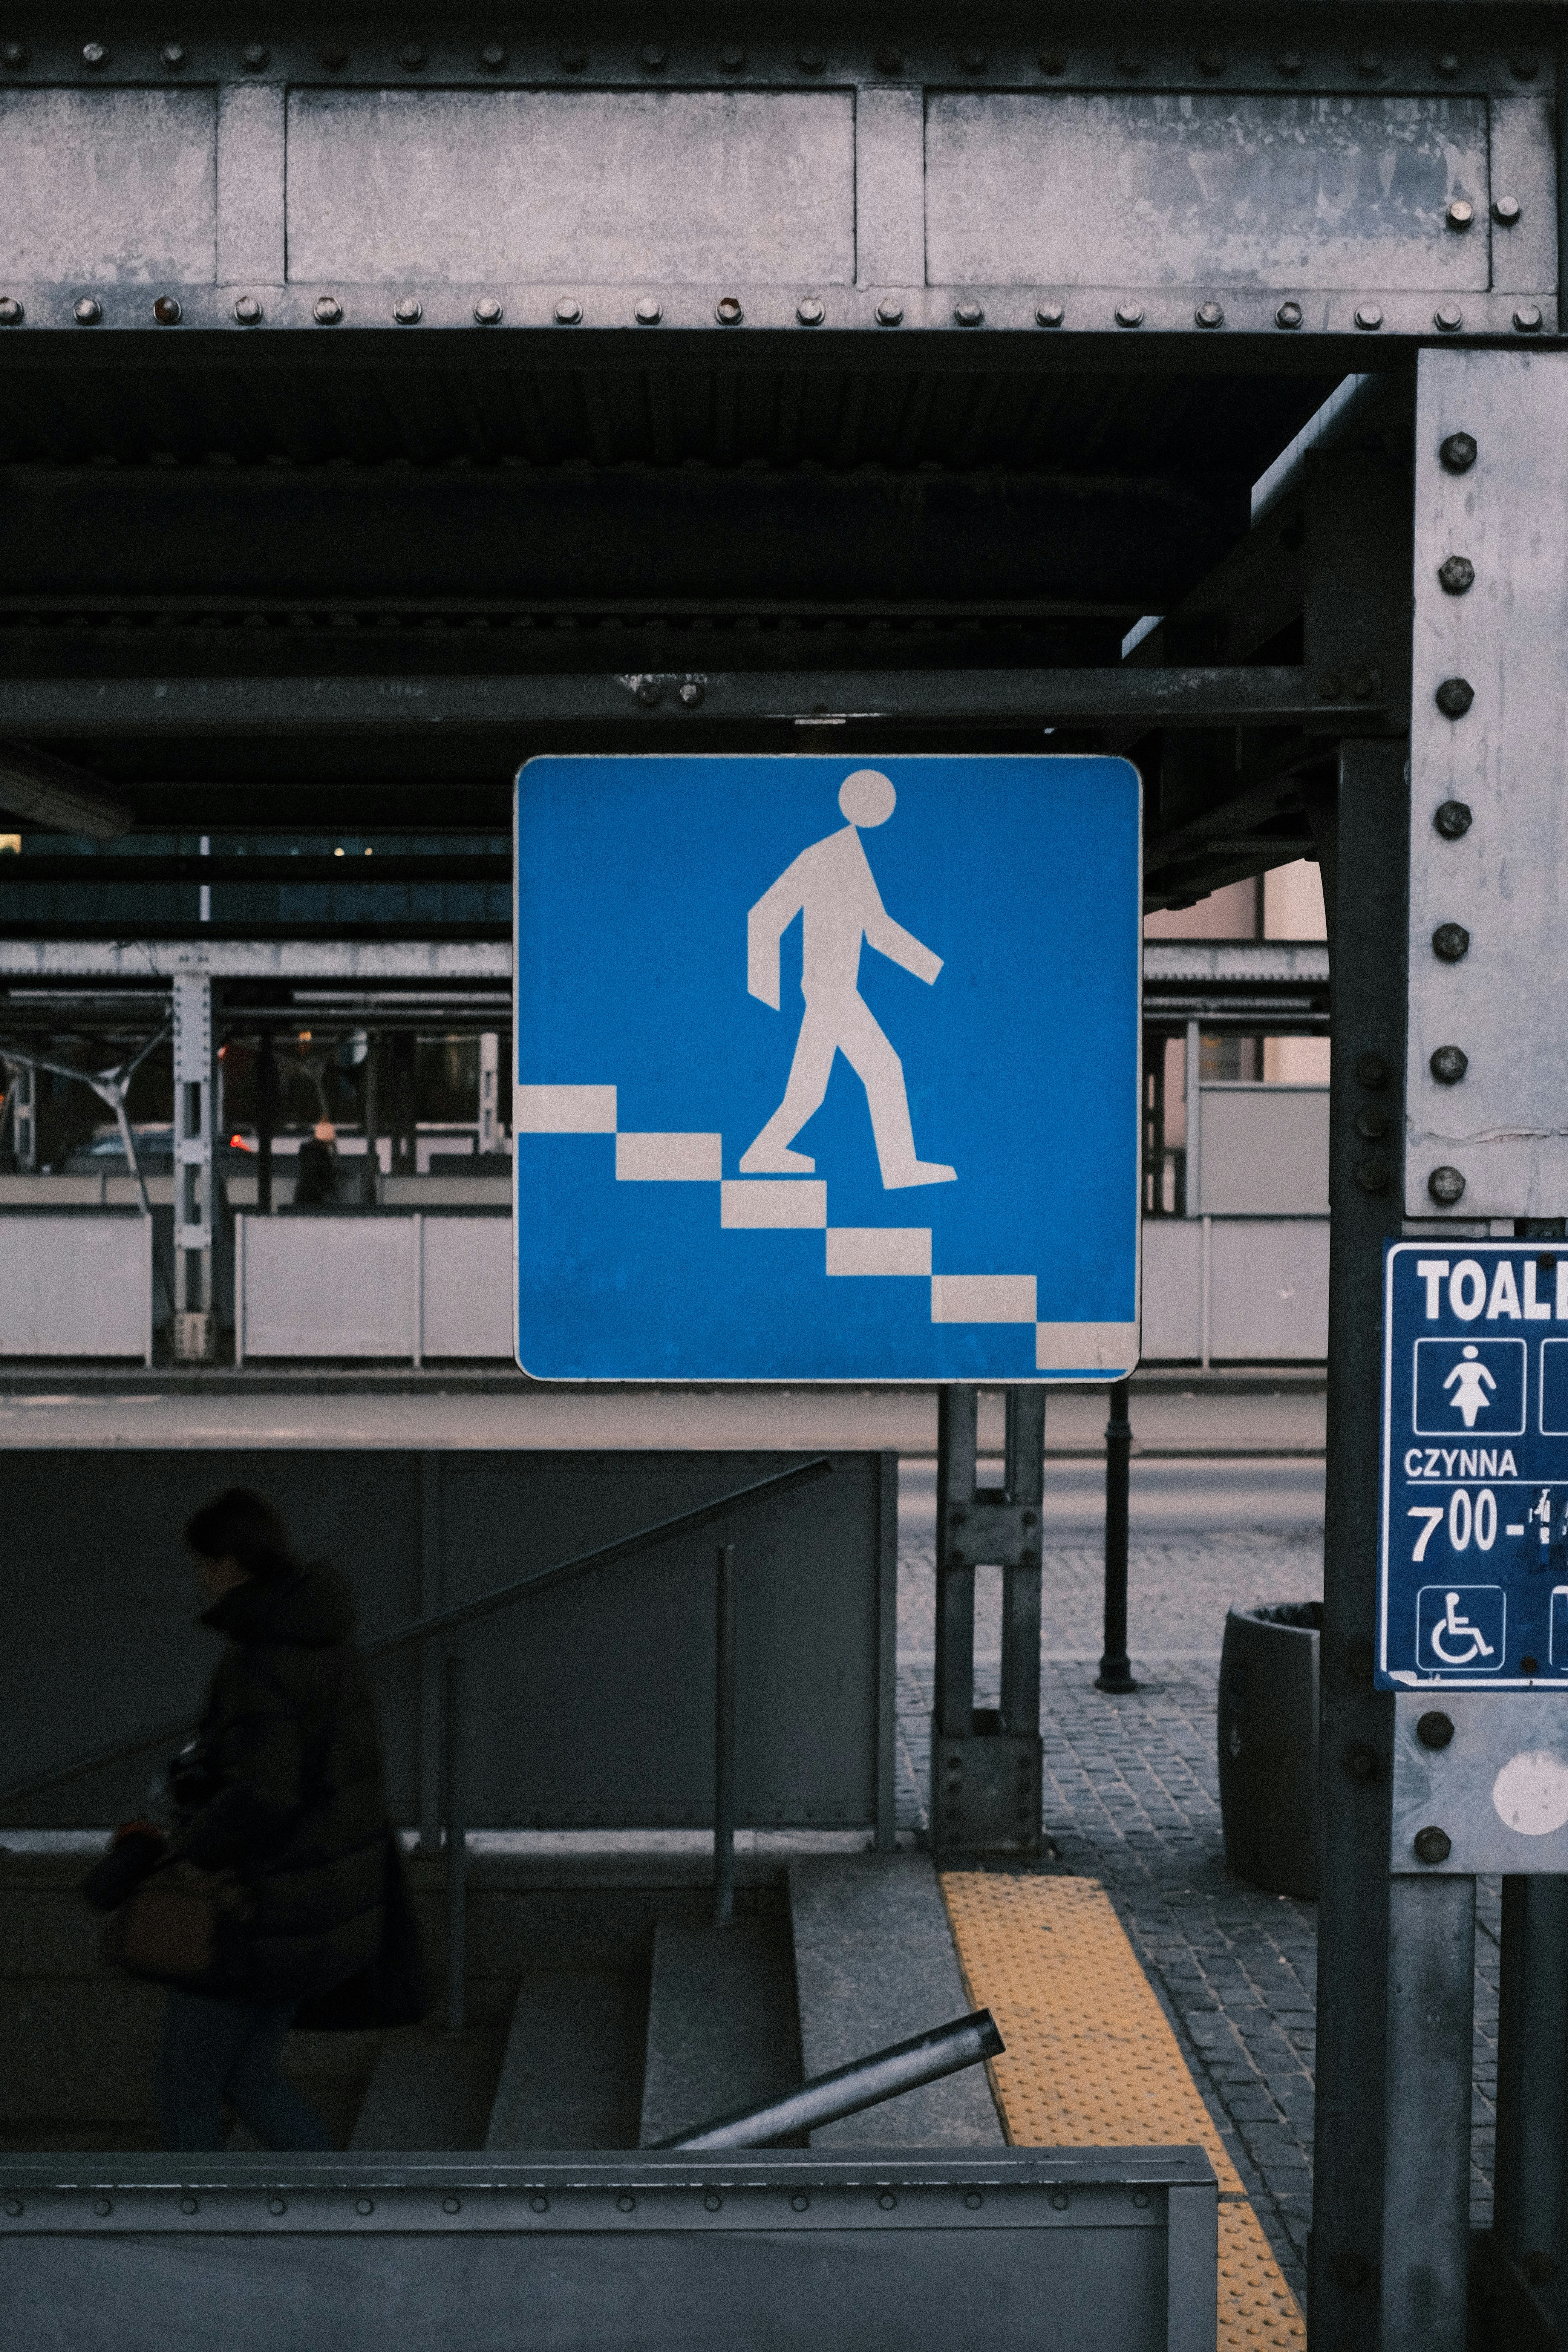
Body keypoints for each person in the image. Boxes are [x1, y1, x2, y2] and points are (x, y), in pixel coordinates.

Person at [149, 1488, 386, 2150]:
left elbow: (265, 1793)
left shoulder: (260, 1661)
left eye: (204, 1564)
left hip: (257, 1907)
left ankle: (194, 2214)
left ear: (230, 1564)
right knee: (248, 2076)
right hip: (316, 1900)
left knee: (187, 2089)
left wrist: (193, 1848)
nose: (200, 1578)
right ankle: (336, 2201)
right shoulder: (329, 1642)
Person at [292, 1118, 339, 1205]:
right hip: (312, 1198)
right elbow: (313, 1177)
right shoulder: (316, 1156)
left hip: (310, 1196)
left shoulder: (312, 1153)